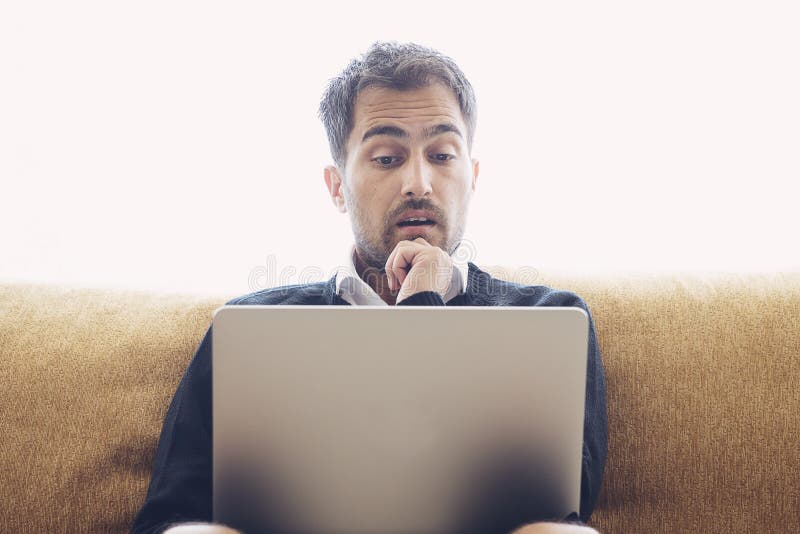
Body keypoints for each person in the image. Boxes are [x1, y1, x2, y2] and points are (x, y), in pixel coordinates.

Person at [132, 41, 607, 534]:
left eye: (442, 154)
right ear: (337, 187)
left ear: (472, 177)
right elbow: (165, 517)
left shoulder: (549, 319)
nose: (419, 183)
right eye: (386, 158)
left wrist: (422, 300)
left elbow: (569, 503)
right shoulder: (253, 330)